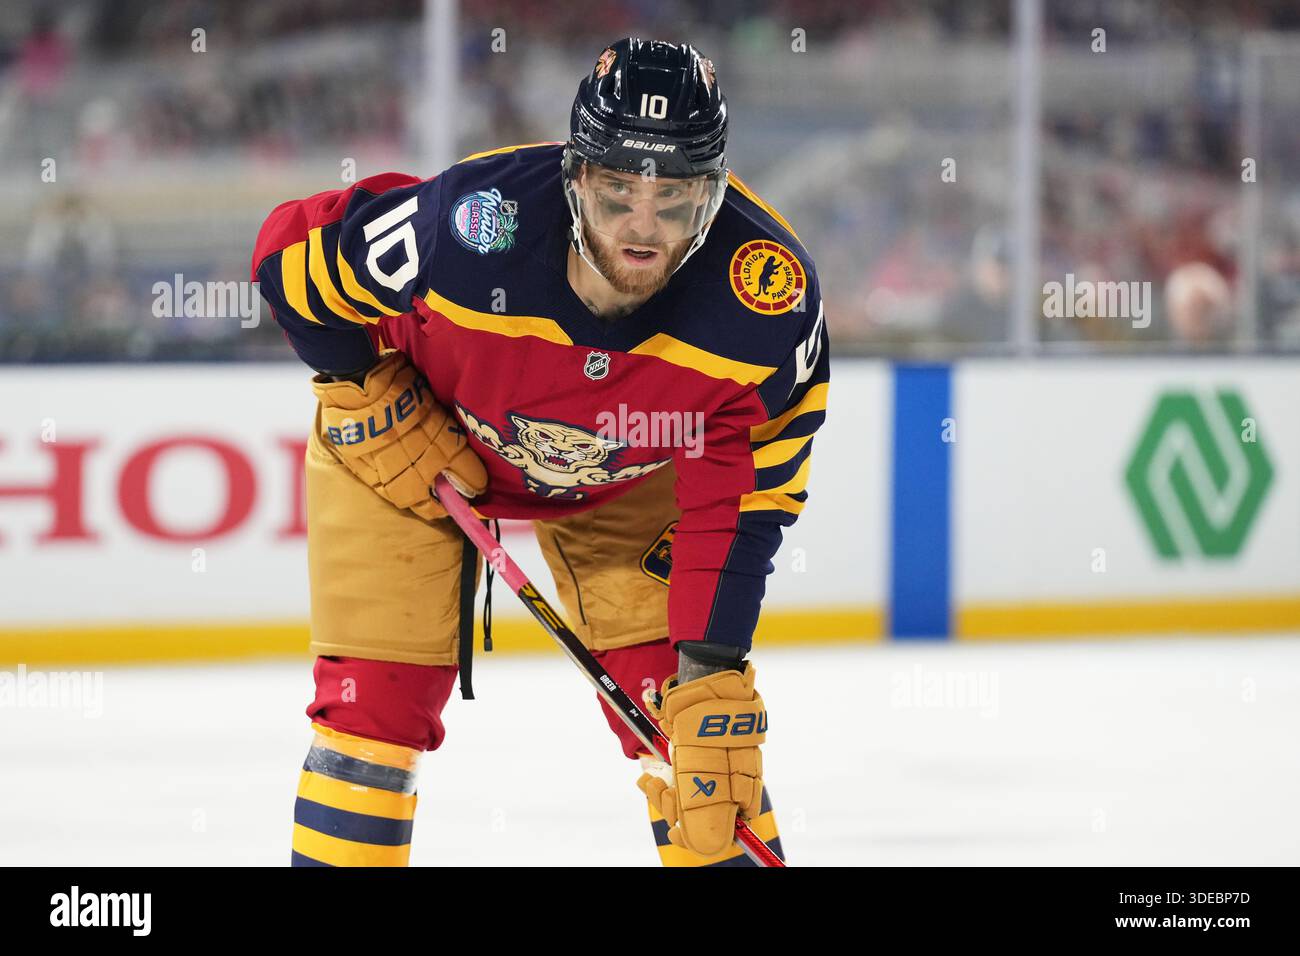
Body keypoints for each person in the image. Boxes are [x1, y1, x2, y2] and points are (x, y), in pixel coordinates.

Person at [251, 38, 829, 867]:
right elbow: (287, 260)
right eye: (619, 191)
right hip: (417, 452)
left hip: (624, 483)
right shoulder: (472, 226)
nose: (642, 227)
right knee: (370, 721)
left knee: (701, 742)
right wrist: (358, 384)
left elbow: (743, 503)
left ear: (715, 194)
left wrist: (710, 670)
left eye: (674, 198)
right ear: (576, 176)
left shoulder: (764, 303)